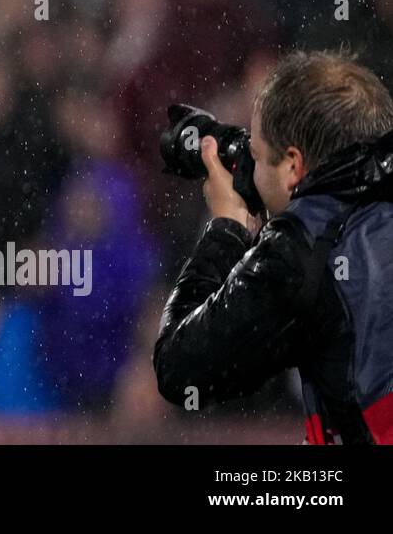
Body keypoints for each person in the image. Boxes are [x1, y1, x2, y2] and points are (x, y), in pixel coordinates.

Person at [153, 50, 393, 444]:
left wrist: (226, 228)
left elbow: (178, 368)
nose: (249, 167)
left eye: (258, 156)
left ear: (293, 167)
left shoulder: (302, 250)